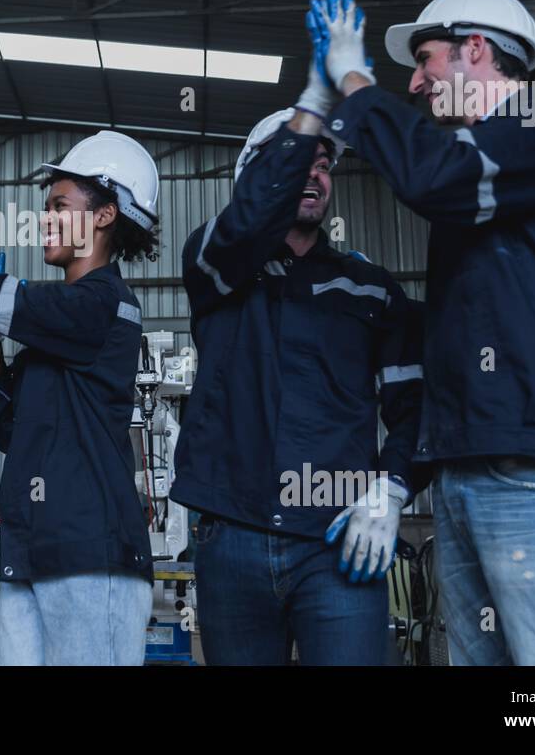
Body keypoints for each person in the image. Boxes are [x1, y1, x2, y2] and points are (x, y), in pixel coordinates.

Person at [301, 0, 535, 665]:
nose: (416, 83)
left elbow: (433, 176)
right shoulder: (492, 179)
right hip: (469, 466)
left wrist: (353, 77)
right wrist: (401, 477)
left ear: (475, 49)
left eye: (425, 59)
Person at [171, 65, 426, 663]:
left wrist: (392, 489)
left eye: (322, 165)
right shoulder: (217, 267)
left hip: (337, 543)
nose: (313, 175)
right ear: (256, 177)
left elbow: (415, 407)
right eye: (296, 161)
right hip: (230, 536)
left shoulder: (370, 289)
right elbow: (241, 227)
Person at [0, 130, 161, 666]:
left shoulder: (100, 304)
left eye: (60, 205)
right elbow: (10, 426)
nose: (46, 218)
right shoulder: (61, 329)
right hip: (31, 554)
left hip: (89, 559)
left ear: (104, 215)